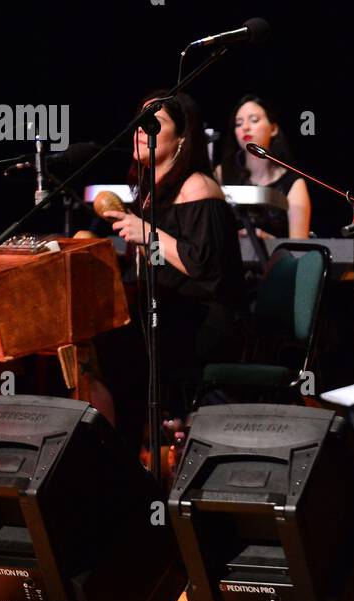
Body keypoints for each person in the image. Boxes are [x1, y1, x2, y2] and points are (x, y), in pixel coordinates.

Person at [92, 91, 247, 459]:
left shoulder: (197, 187)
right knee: (107, 341)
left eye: (152, 124)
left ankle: (123, 460)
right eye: (137, 123)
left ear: (182, 138)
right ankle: (121, 456)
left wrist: (147, 234)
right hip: (174, 313)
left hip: (208, 321)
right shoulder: (151, 193)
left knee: (123, 352)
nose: (138, 131)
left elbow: (204, 268)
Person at [213, 95, 311, 239]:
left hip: (276, 260)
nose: (245, 127)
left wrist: (268, 241)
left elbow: (299, 252)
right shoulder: (221, 174)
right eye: (238, 124)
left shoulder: (293, 184)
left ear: (273, 129)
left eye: (254, 120)